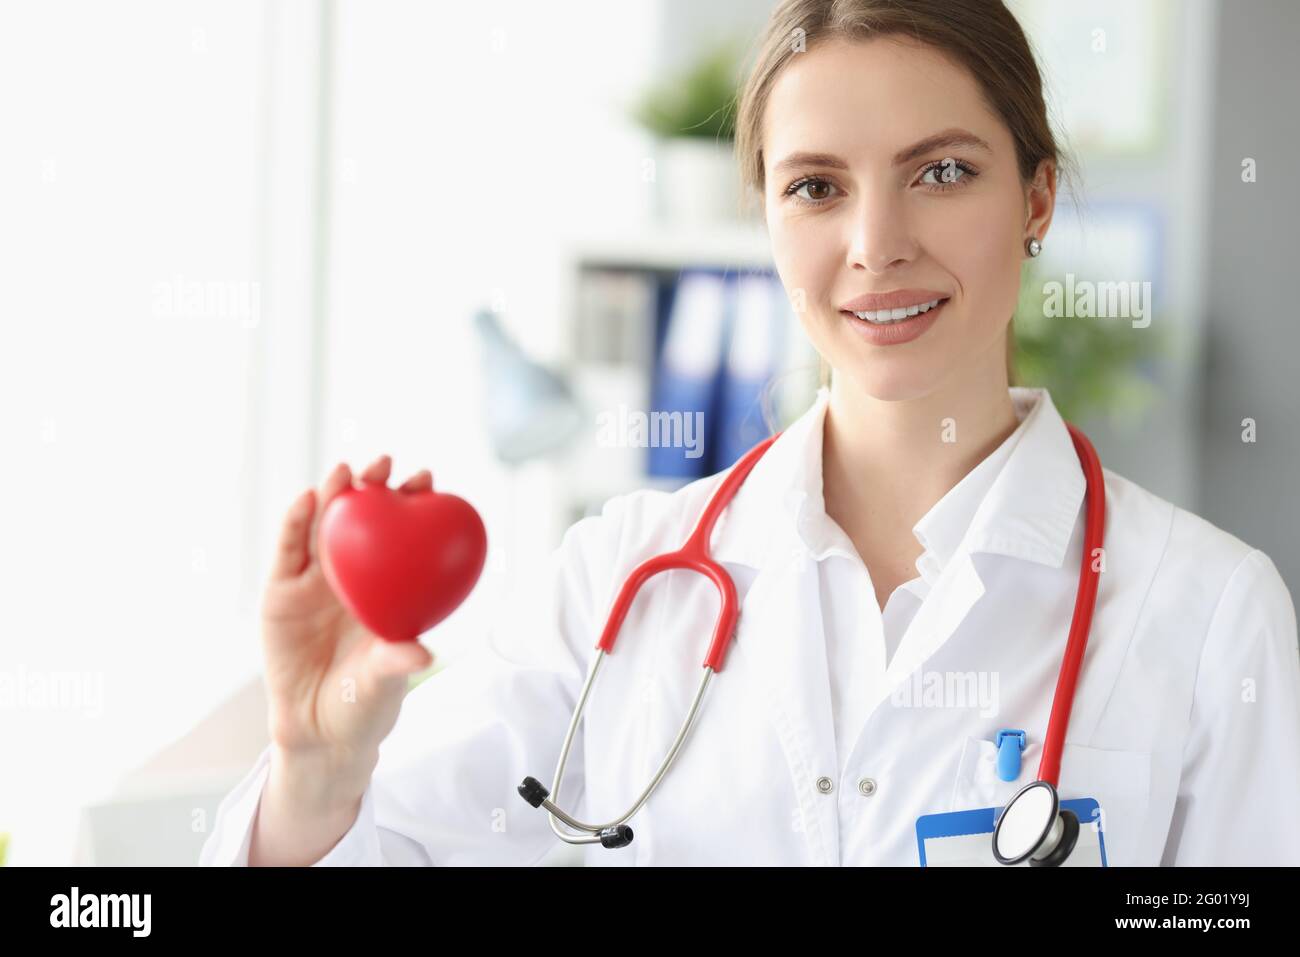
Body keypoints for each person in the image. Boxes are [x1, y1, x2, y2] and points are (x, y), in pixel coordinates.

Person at [200, 0, 1300, 867]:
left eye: (942, 172)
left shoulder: (1207, 614)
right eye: (817, 187)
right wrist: (316, 769)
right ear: (766, 217)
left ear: (1037, 199)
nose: (875, 244)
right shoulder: (619, 582)